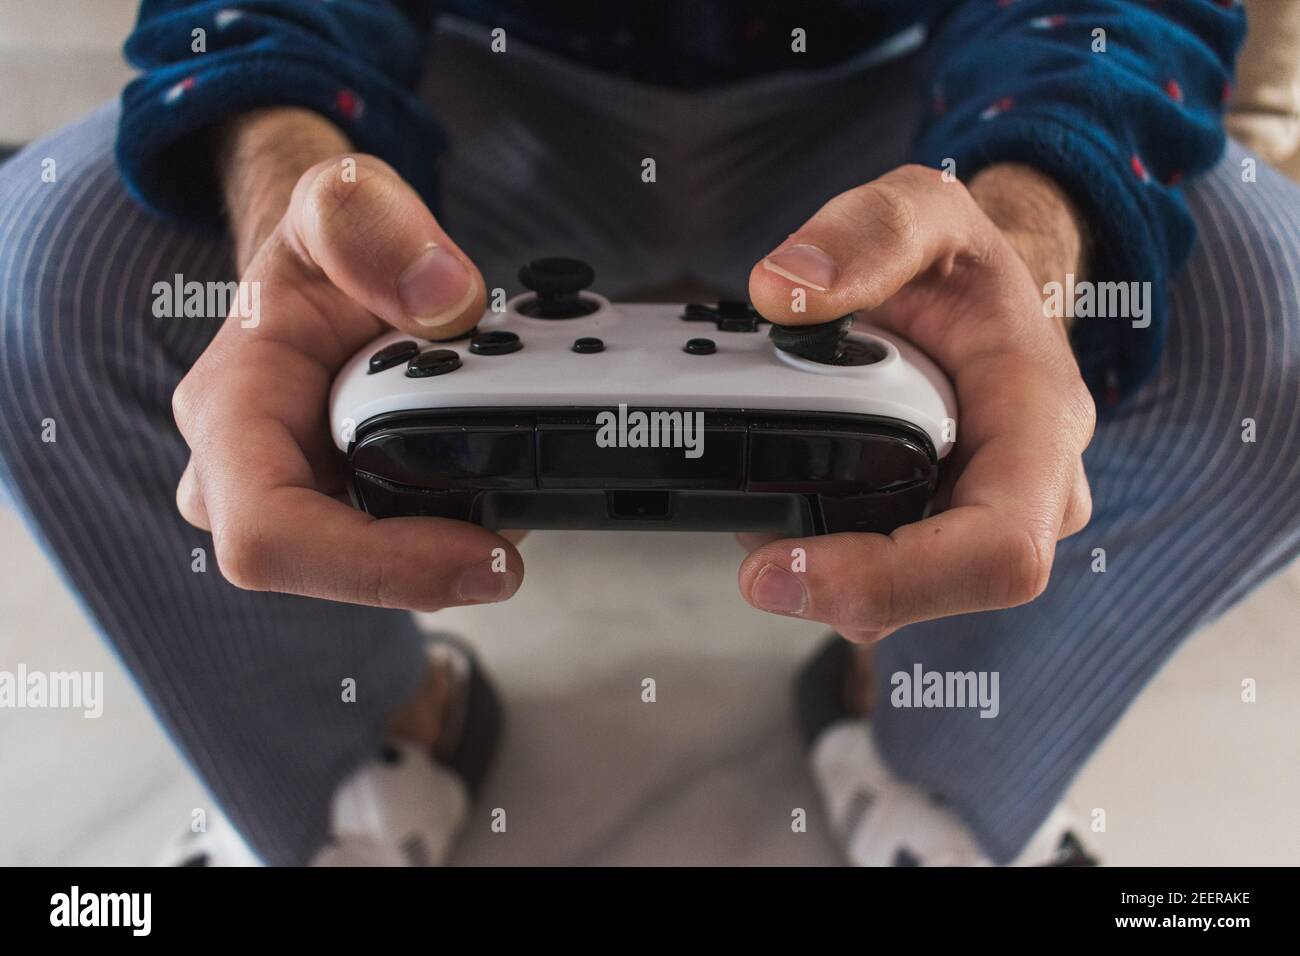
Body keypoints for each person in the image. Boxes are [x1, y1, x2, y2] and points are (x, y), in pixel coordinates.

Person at [1, 0, 1296, 866]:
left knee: (1264, 310)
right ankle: (354, 754)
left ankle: (940, 772)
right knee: (48, 266)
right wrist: (287, 172)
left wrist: (1033, 221)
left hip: (900, 102)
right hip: (476, 84)